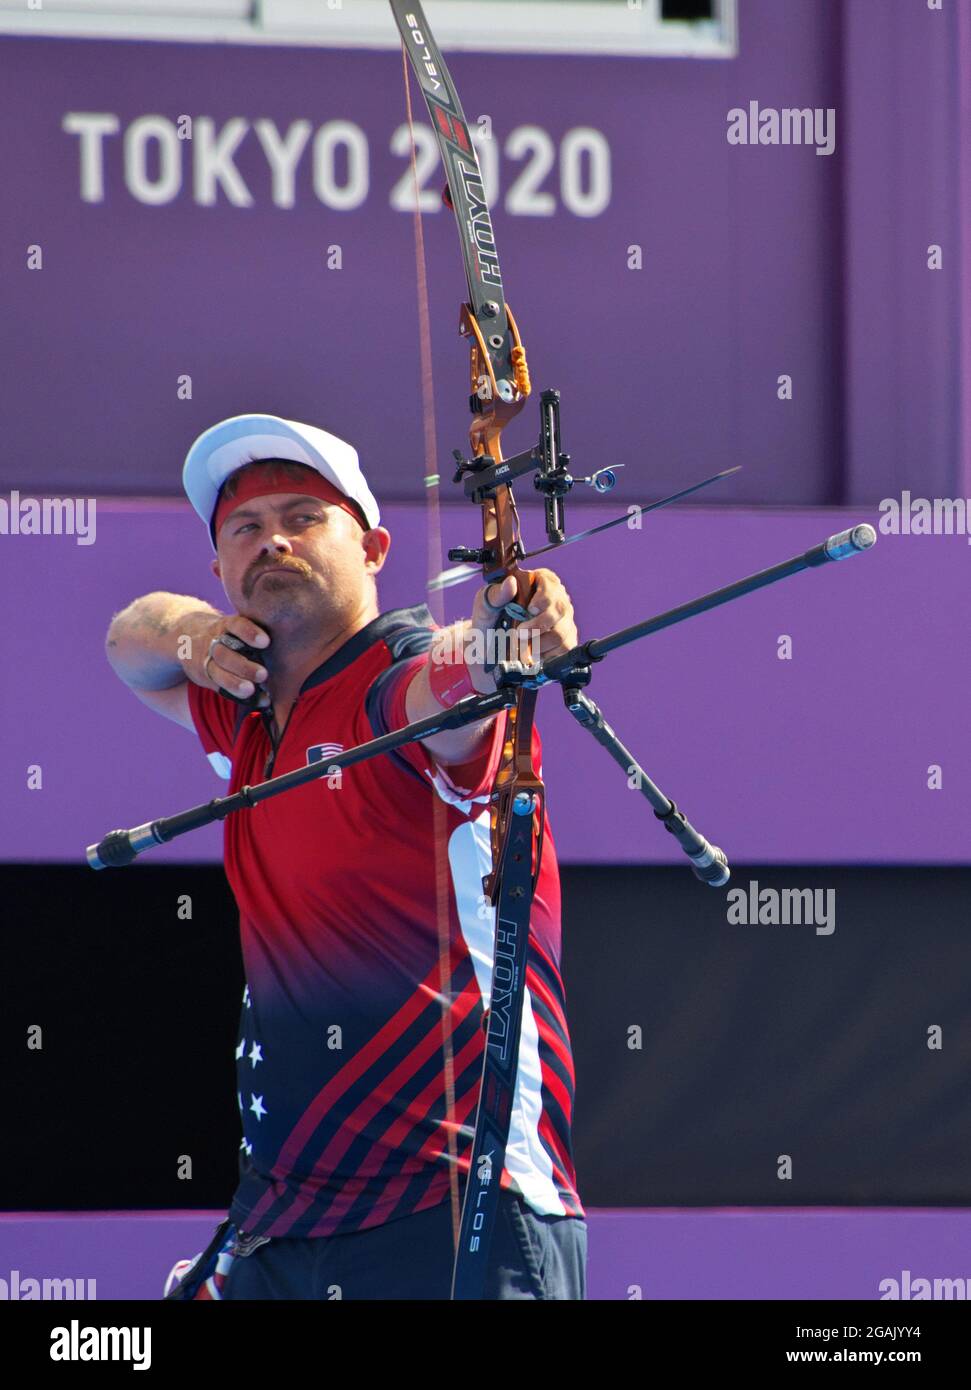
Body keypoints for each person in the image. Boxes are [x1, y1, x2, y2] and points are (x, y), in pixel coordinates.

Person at [105, 413, 586, 1300]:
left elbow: (449, 688)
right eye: (245, 528)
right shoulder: (243, 707)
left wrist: (499, 641)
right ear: (220, 571)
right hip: (280, 1222)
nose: (272, 539)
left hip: (451, 1207)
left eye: (303, 516)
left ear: (372, 548)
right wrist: (195, 639)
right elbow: (130, 638)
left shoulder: (391, 680)